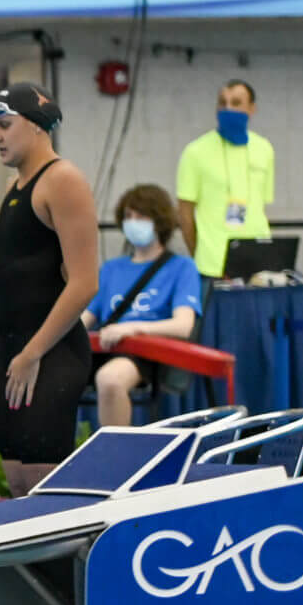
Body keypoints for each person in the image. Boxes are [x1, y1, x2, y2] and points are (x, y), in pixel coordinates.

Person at [0, 83, 100, 496]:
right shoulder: (13, 188)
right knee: (16, 487)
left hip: (51, 354)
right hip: (14, 354)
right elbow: (17, 282)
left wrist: (32, 353)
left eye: (4, 125)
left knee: (44, 495)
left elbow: (84, 283)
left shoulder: (63, 180)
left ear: (35, 126)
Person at [82, 184, 202, 430]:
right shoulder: (110, 269)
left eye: (141, 216)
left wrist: (132, 328)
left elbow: (183, 326)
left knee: (110, 379)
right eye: (128, 216)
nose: (133, 222)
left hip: (148, 352)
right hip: (105, 347)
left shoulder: (182, 267)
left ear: (159, 221)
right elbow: (84, 319)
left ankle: (117, 450)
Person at [175, 79, 275, 281]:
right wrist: (199, 256)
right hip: (213, 266)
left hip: (258, 263)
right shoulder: (195, 152)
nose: (228, 108)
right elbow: (185, 215)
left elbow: (261, 207)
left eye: (236, 103)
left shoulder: (264, 149)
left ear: (252, 108)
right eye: (222, 103)